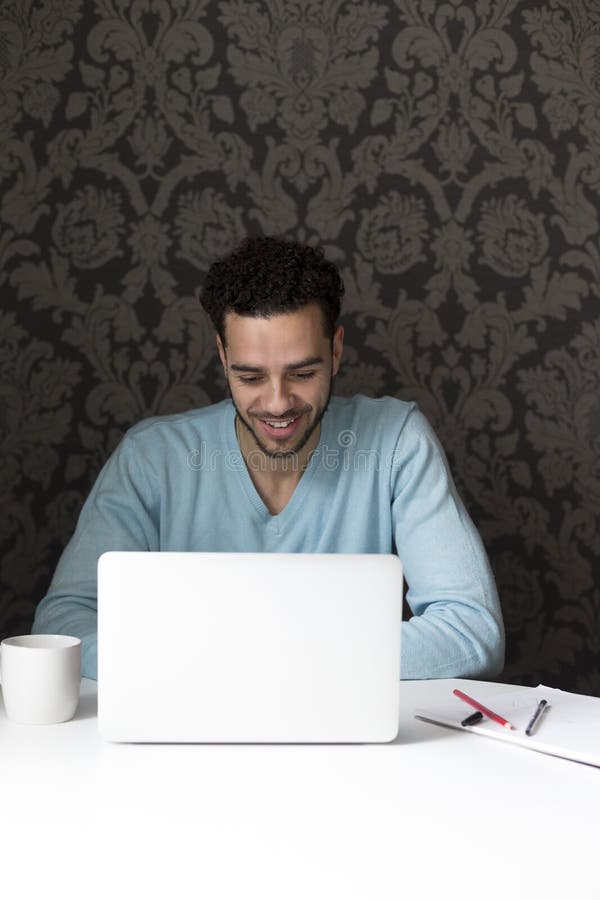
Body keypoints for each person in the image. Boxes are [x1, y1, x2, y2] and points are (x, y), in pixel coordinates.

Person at [32, 235, 505, 680]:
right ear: (221, 355)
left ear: (336, 350)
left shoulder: (397, 441)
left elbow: (473, 632)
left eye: (301, 372)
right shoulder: (151, 458)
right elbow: (61, 627)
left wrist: (258, 658)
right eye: (251, 377)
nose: (278, 403)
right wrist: (259, 661)